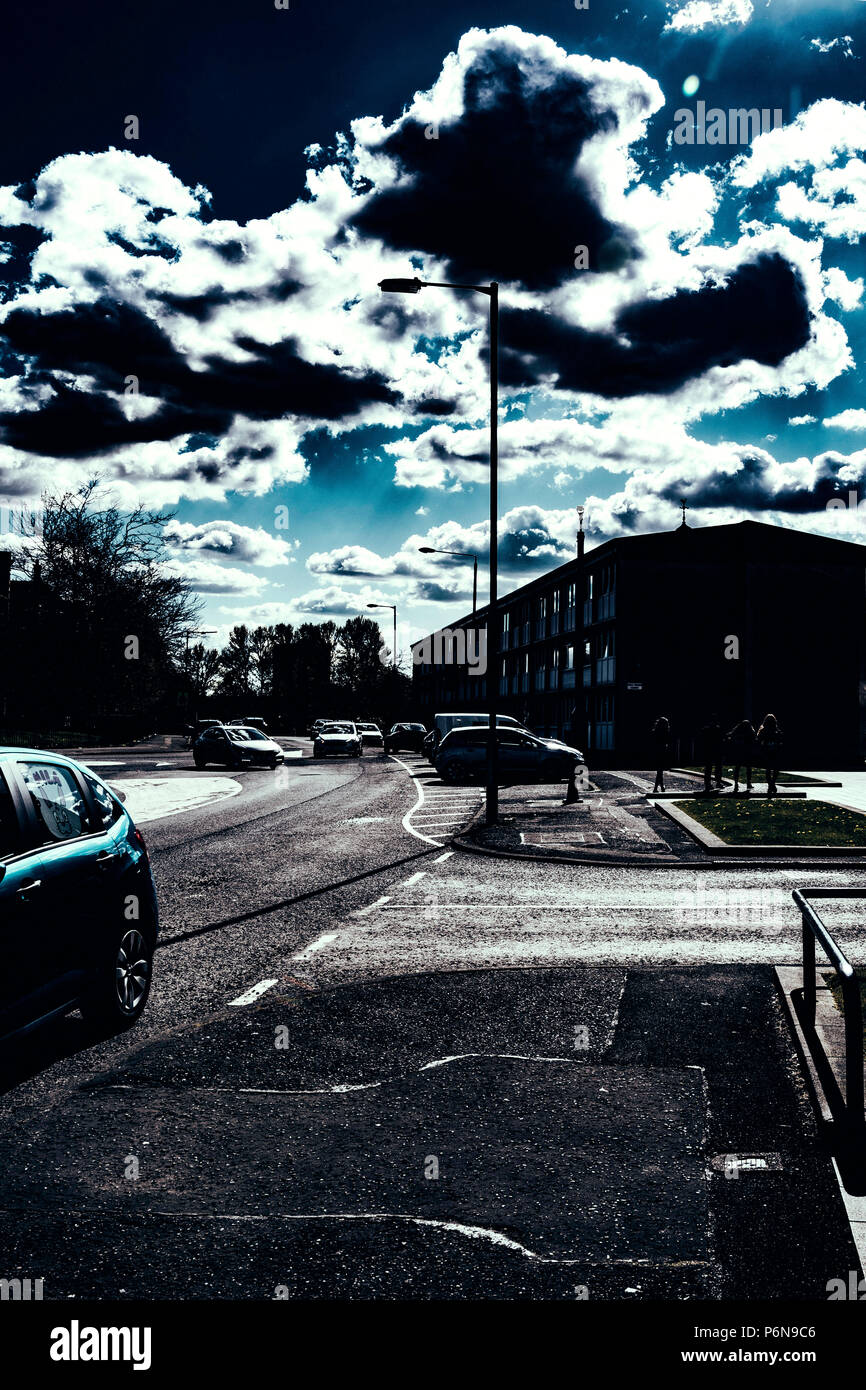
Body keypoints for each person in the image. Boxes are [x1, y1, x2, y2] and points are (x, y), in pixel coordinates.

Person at [756, 713, 783, 797]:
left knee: (770, 769)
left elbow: (759, 740)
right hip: (772, 751)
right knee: (774, 769)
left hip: (769, 751)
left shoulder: (770, 730)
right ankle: (772, 784)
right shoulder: (773, 730)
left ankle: (771, 784)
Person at [727, 719, 756, 795]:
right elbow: (754, 739)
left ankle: (736, 784)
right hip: (747, 752)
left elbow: (731, 737)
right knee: (748, 768)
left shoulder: (737, 732)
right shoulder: (750, 732)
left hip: (739, 752)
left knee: (737, 768)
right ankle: (748, 783)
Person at [698, 714, 723, 794]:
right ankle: (718, 783)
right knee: (717, 768)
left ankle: (708, 785)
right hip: (716, 751)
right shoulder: (718, 729)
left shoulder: (705, 730)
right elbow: (721, 741)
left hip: (708, 751)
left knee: (708, 769)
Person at [651, 715, 671, 794]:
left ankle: (661, 787)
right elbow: (666, 743)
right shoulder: (665, 732)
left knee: (660, 771)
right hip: (662, 752)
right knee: (660, 770)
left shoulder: (656, 731)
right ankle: (658, 787)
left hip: (657, 752)